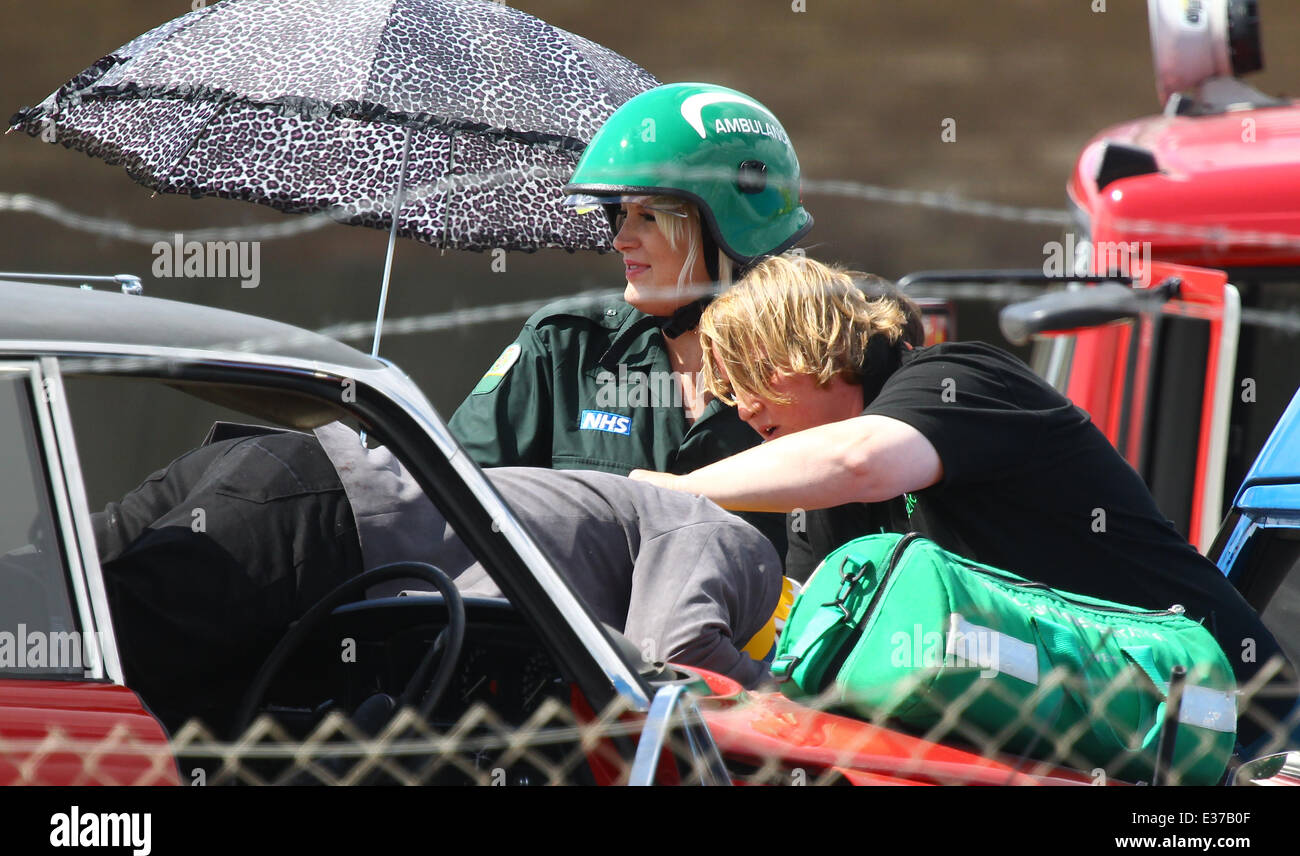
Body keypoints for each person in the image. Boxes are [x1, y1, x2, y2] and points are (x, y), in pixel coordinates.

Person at [629, 254, 1296, 748]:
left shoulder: (958, 379)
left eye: (750, 377)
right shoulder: (832, 491)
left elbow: (862, 460)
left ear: (809, 347)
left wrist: (676, 493)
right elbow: (810, 643)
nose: (743, 409)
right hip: (1118, 742)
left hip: (1244, 732)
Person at [91, 423, 782, 733]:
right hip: (324, 518)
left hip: (283, 486)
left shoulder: (636, 526)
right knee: (88, 652)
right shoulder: (739, 544)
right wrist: (792, 705)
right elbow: (677, 659)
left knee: (52, 595)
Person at [447, 82, 812, 556]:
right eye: (620, 215)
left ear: (727, 226)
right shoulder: (563, 347)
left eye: (649, 217)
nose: (621, 239)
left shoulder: (815, 373)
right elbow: (449, 504)